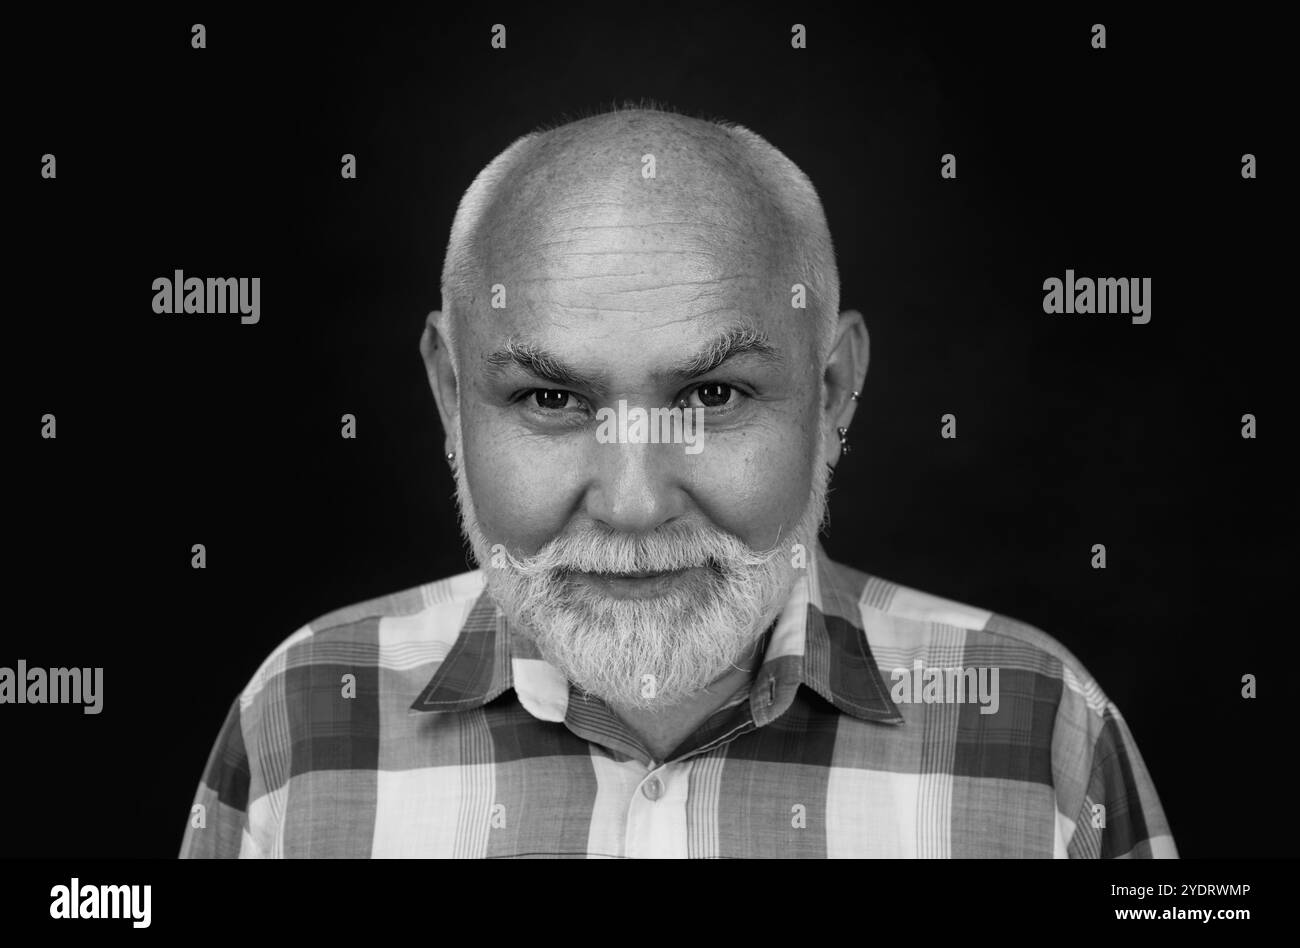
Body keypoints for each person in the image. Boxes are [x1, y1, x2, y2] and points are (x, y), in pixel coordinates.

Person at [180, 106, 1176, 858]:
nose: (633, 501)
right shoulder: (303, 720)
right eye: (551, 401)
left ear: (833, 391)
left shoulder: (1039, 724)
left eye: (708, 395)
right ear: (449, 394)